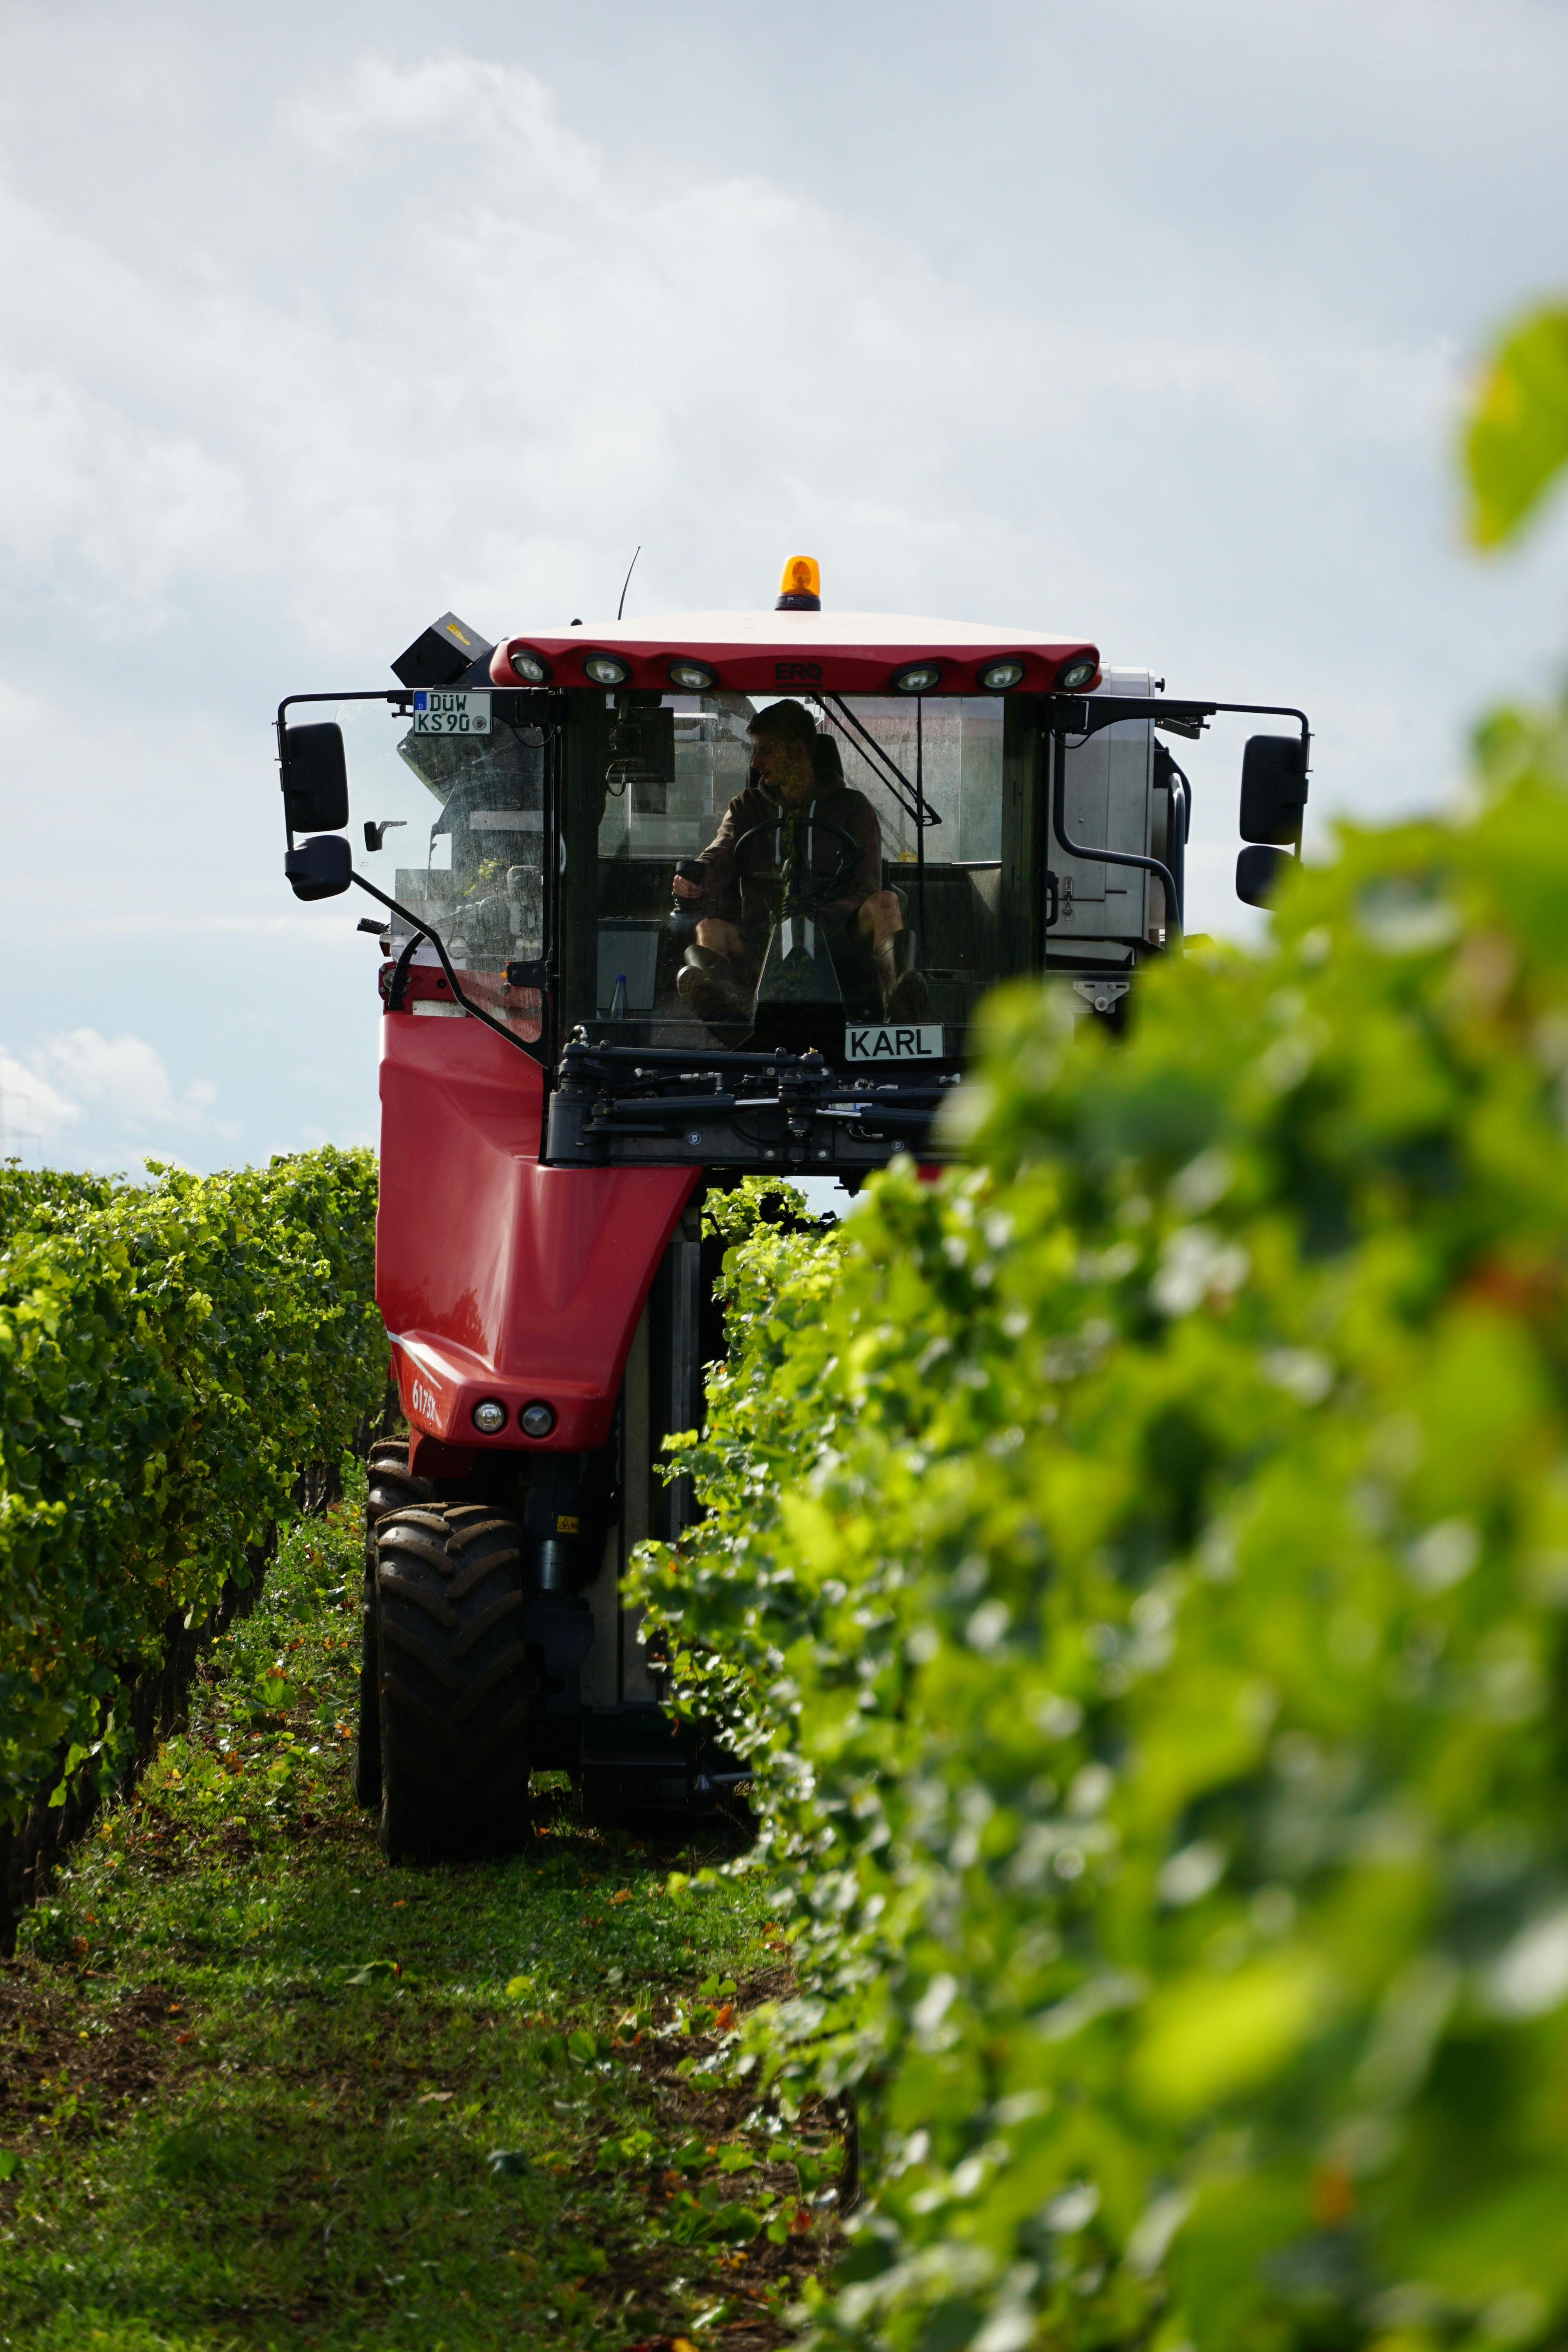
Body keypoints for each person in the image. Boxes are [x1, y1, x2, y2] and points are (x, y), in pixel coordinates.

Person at [673, 700, 921, 1030]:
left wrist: (818, 918)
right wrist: (699, 875)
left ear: (798, 750)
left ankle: (898, 1020)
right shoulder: (747, 807)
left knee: (886, 903)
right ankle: (732, 1028)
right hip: (763, 936)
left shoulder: (853, 808)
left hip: (834, 934)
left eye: (767, 751)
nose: (757, 762)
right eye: (756, 751)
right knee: (709, 930)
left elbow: (867, 887)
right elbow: (721, 852)